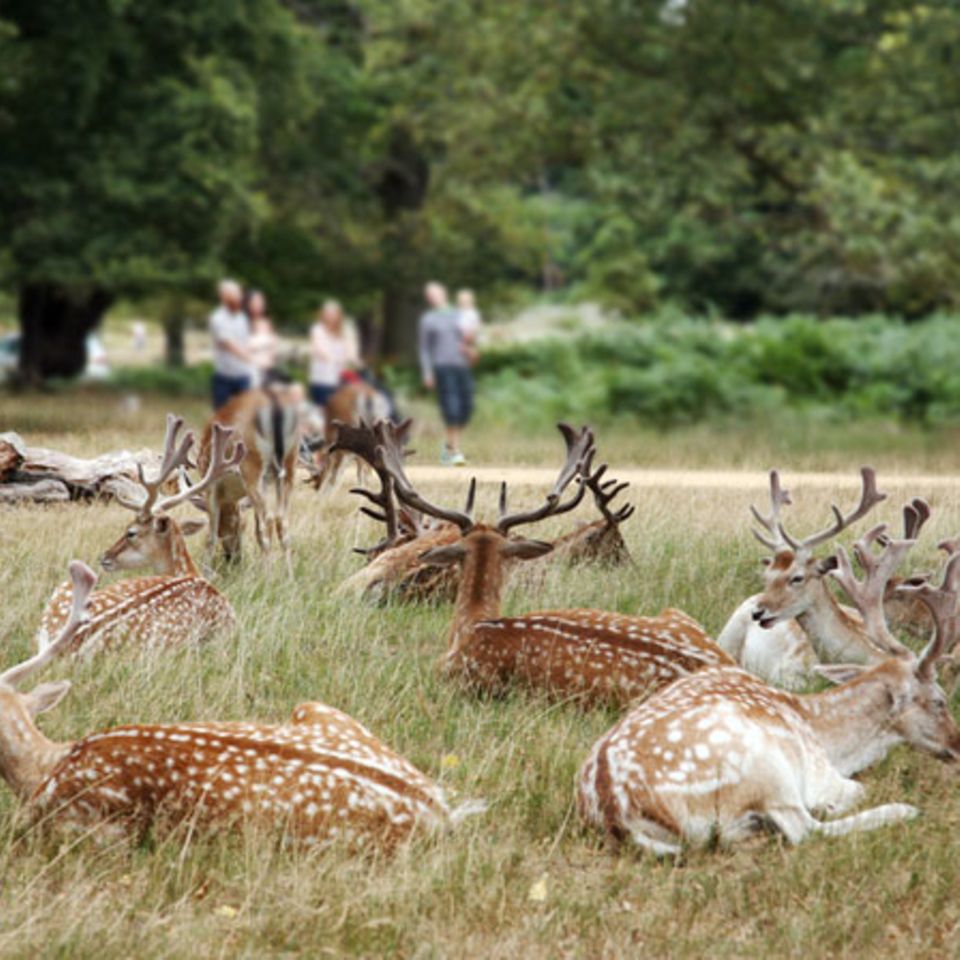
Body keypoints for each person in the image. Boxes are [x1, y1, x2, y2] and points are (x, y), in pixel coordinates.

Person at [419, 281, 474, 465]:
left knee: (466, 408)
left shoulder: (459, 314)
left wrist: (471, 350)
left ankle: (448, 445)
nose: (434, 297)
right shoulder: (428, 320)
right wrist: (427, 372)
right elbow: (425, 348)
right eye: (430, 295)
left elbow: (469, 338)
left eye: (436, 293)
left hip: (462, 365)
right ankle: (454, 451)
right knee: (452, 406)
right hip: (443, 366)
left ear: (444, 293)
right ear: (428, 299)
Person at [309, 299, 361, 411]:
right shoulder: (318, 329)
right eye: (328, 313)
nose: (331, 316)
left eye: (333, 313)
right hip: (323, 378)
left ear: (339, 315)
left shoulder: (346, 329)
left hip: (341, 378)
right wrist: (339, 360)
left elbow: (351, 350)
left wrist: (354, 359)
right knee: (322, 409)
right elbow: (321, 351)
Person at [209, 279, 252, 409]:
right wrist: (252, 359)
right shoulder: (217, 318)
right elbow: (230, 345)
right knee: (222, 417)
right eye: (234, 294)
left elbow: (246, 342)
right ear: (223, 296)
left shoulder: (242, 318)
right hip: (224, 377)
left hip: (243, 376)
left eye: (239, 294)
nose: (238, 298)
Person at [246, 290, 282, 387]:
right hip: (250, 369)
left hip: (267, 369)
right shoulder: (243, 323)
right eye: (256, 301)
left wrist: (271, 356)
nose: (259, 304)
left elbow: (274, 345)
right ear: (248, 303)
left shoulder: (267, 323)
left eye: (261, 301)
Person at [456, 288, 482, 366]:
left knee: (472, 354)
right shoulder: (457, 312)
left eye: (467, 300)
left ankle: (468, 365)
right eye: (462, 300)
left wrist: (471, 333)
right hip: (459, 336)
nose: (464, 302)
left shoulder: (473, 313)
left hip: (469, 336)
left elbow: (477, 325)